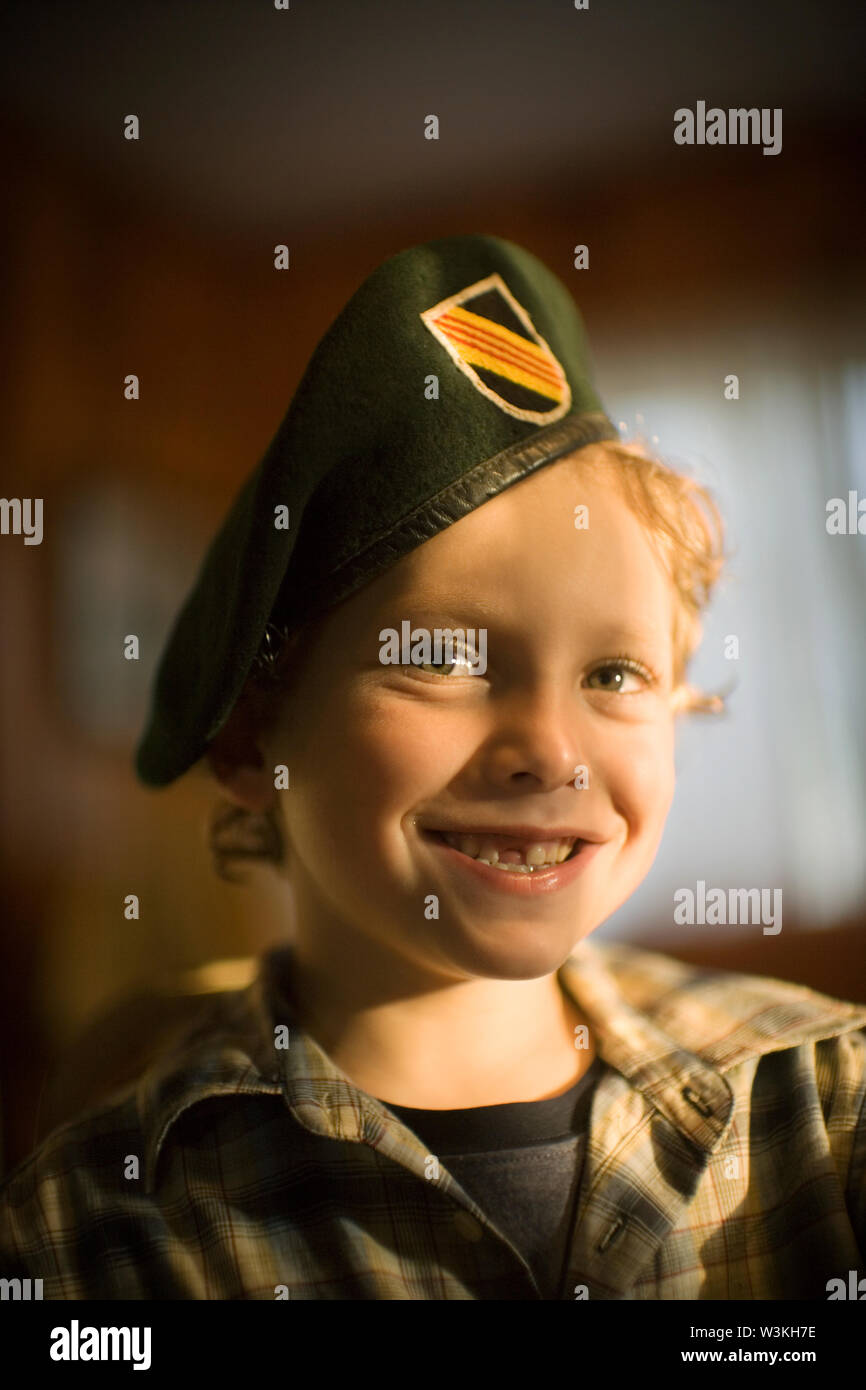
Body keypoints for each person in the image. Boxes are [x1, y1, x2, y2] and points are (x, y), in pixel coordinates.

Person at [1, 234, 864, 1300]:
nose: (550, 749)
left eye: (612, 670)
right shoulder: (103, 1235)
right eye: (441, 656)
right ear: (248, 738)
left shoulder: (822, 1103)